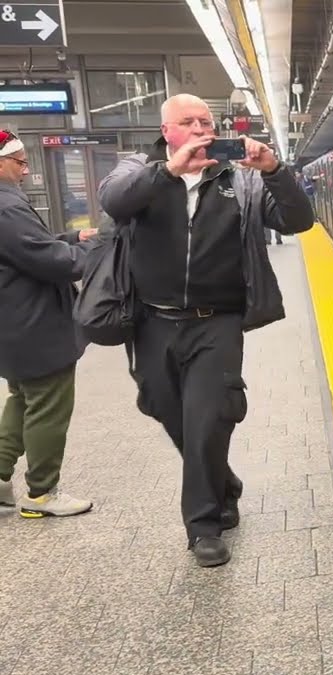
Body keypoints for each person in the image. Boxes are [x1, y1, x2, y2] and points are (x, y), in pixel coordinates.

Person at [98, 93, 314, 567]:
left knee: (208, 418)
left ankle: (203, 525)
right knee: (166, 410)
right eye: (188, 122)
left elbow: (300, 221)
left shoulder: (241, 181)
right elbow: (114, 202)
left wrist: (274, 169)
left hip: (217, 322)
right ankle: (224, 482)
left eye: (206, 122)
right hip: (152, 323)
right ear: (167, 131)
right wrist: (169, 171)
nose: (200, 129)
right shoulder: (138, 171)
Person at [0, 129, 96, 518]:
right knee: (49, 406)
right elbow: (50, 260)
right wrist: (92, 251)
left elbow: (24, 248)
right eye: (20, 162)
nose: (25, 170)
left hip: (12, 324)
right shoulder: (6, 207)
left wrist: (71, 235)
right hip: (34, 324)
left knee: (23, 400)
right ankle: (41, 492)